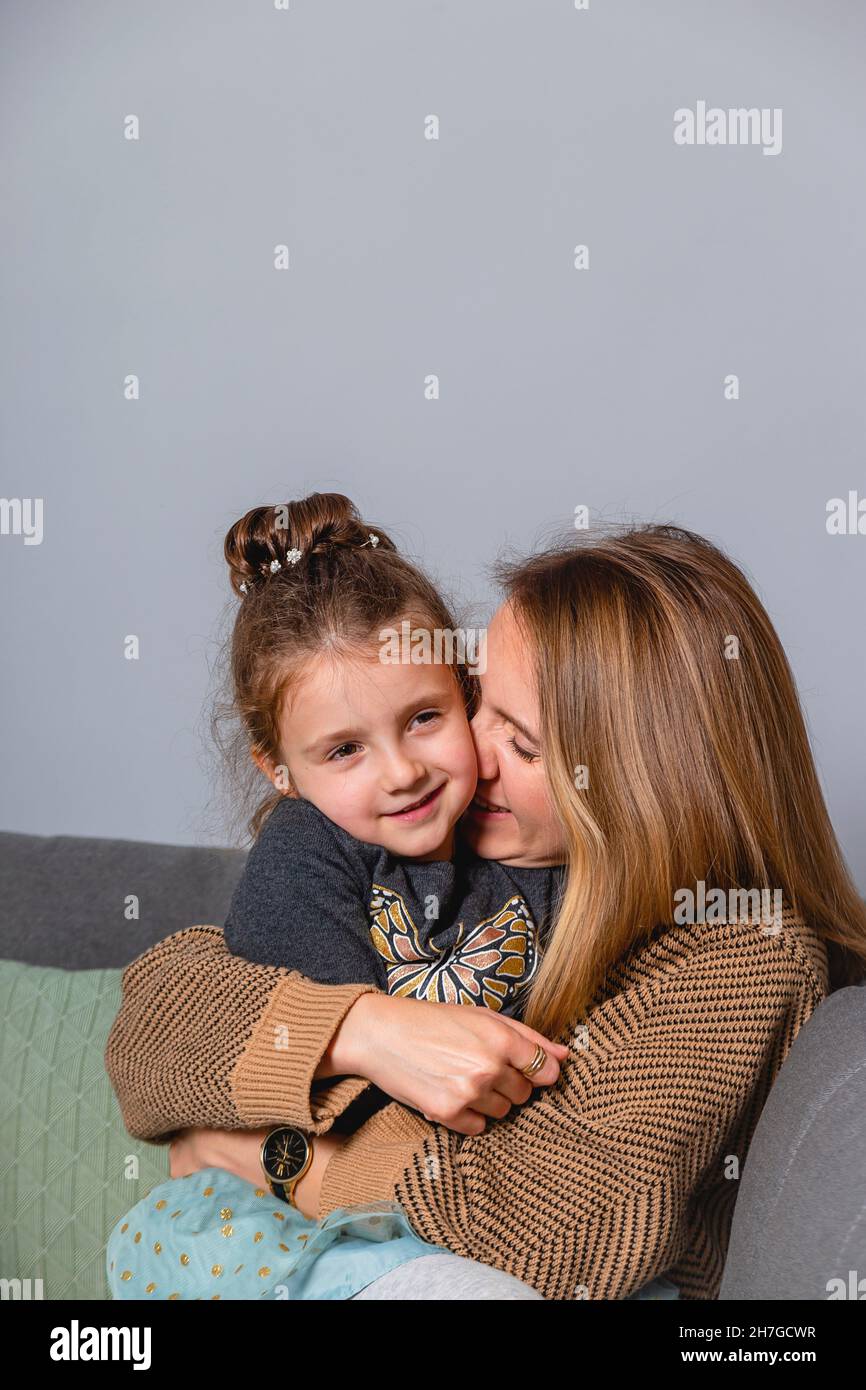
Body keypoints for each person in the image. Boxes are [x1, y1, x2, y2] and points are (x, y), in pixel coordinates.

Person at [105, 522, 866, 1299]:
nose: (466, 753)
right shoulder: (440, 836)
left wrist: (286, 1155)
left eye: (525, 744)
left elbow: (553, 1237)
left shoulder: (740, 951)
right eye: (476, 701)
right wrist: (368, 1029)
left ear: (648, 783)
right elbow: (153, 1025)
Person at [106, 492, 566, 1300]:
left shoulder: (539, 851)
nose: (402, 772)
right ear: (279, 771)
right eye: (345, 749)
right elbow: (325, 1096)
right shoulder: (306, 852)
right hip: (284, 1220)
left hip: (451, 1222)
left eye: (425, 717)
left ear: (465, 692)